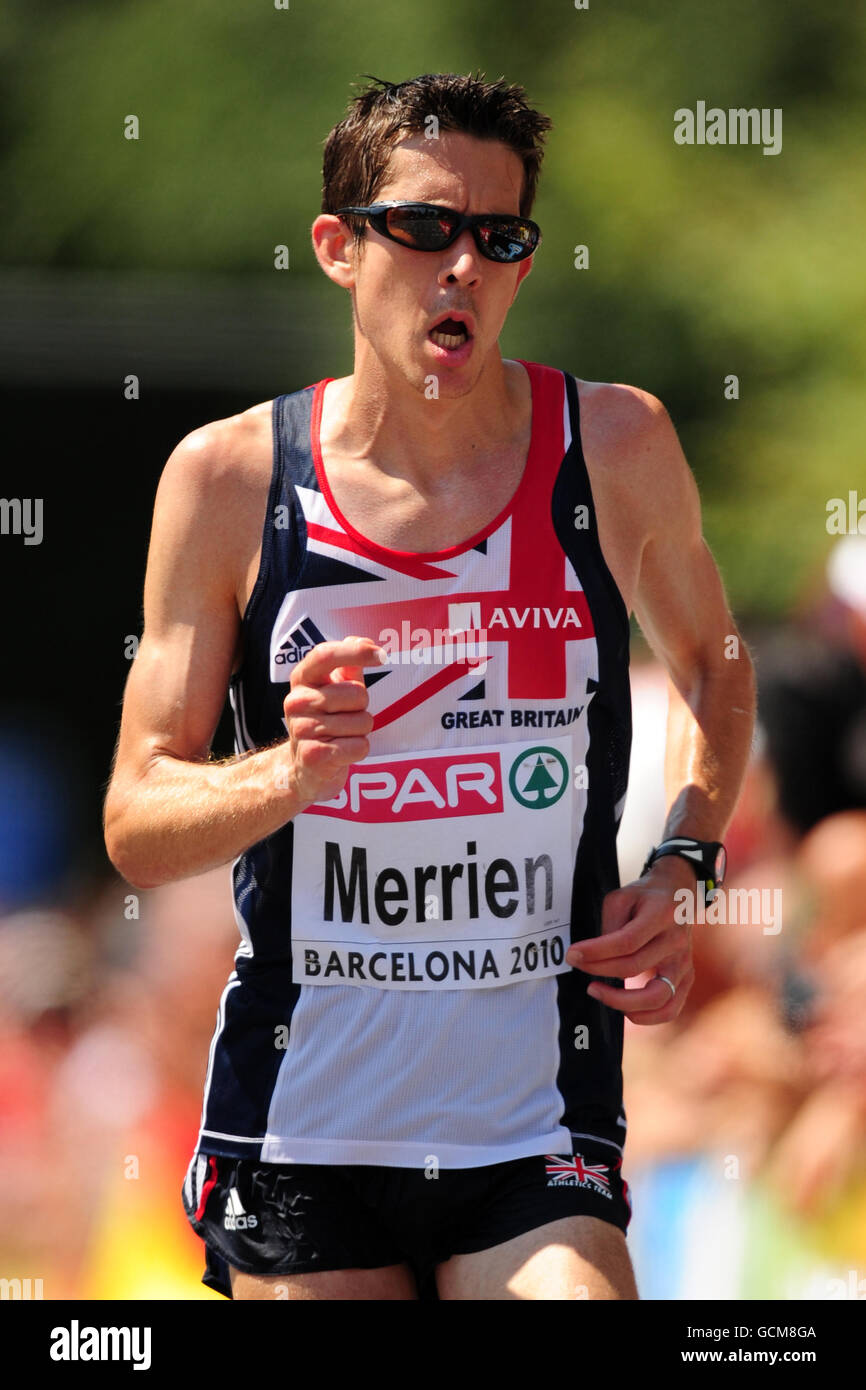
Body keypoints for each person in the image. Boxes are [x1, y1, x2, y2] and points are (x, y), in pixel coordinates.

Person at [103, 71, 757, 1301]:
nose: (461, 266)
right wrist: (292, 772)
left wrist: (685, 863)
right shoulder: (229, 480)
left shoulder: (611, 447)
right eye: (421, 227)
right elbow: (137, 824)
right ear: (339, 248)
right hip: (305, 1124)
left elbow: (718, 669)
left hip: (531, 1119)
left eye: (497, 239)